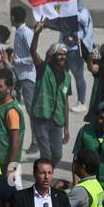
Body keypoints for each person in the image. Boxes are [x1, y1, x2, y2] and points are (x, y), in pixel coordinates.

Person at [29, 22, 72, 170]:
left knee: (57, 155)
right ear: (53, 55)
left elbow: (66, 102)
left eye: (64, 54)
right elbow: (33, 51)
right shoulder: (43, 69)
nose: (62, 57)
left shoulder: (67, 77)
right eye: (59, 54)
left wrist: (67, 127)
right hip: (41, 119)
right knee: (46, 153)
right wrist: (37, 33)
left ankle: (43, 172)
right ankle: (44, 176)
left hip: (57, 122)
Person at [63, 2, 95, 112]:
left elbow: (84, 20)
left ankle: (82, 102)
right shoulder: (67, 11)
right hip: (65, 48)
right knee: (62, 75)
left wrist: (72, 10)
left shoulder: (83, 11)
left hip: (76, 51)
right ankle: (63, 98)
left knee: (78, 76)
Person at [10, 6, 37, 114]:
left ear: (12, 18)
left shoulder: (26, 33)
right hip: (18, 75)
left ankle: (36, 131)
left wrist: (18, 61)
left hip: (27, 77)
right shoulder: (18, 32)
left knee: (31, 109)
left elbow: (33, 57)